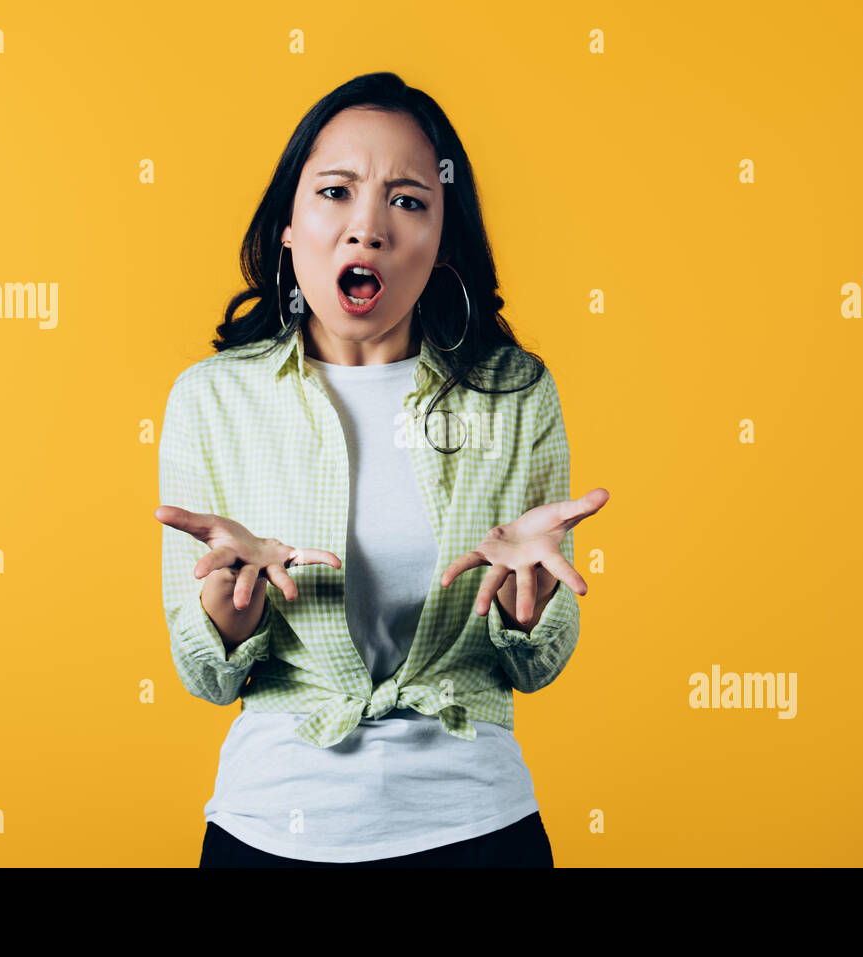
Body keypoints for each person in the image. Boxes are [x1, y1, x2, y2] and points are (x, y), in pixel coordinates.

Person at [155, 72, 609, 868]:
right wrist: (232, 615)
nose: (367, 228)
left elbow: (539, 662)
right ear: (288, 226)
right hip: (269, 830)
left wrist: (528, 606)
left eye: (407, 201)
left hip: (476, 831)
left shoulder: (515, 394)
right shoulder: (211, 400)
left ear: (441, 245)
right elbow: (204, 675)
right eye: (335, 191)